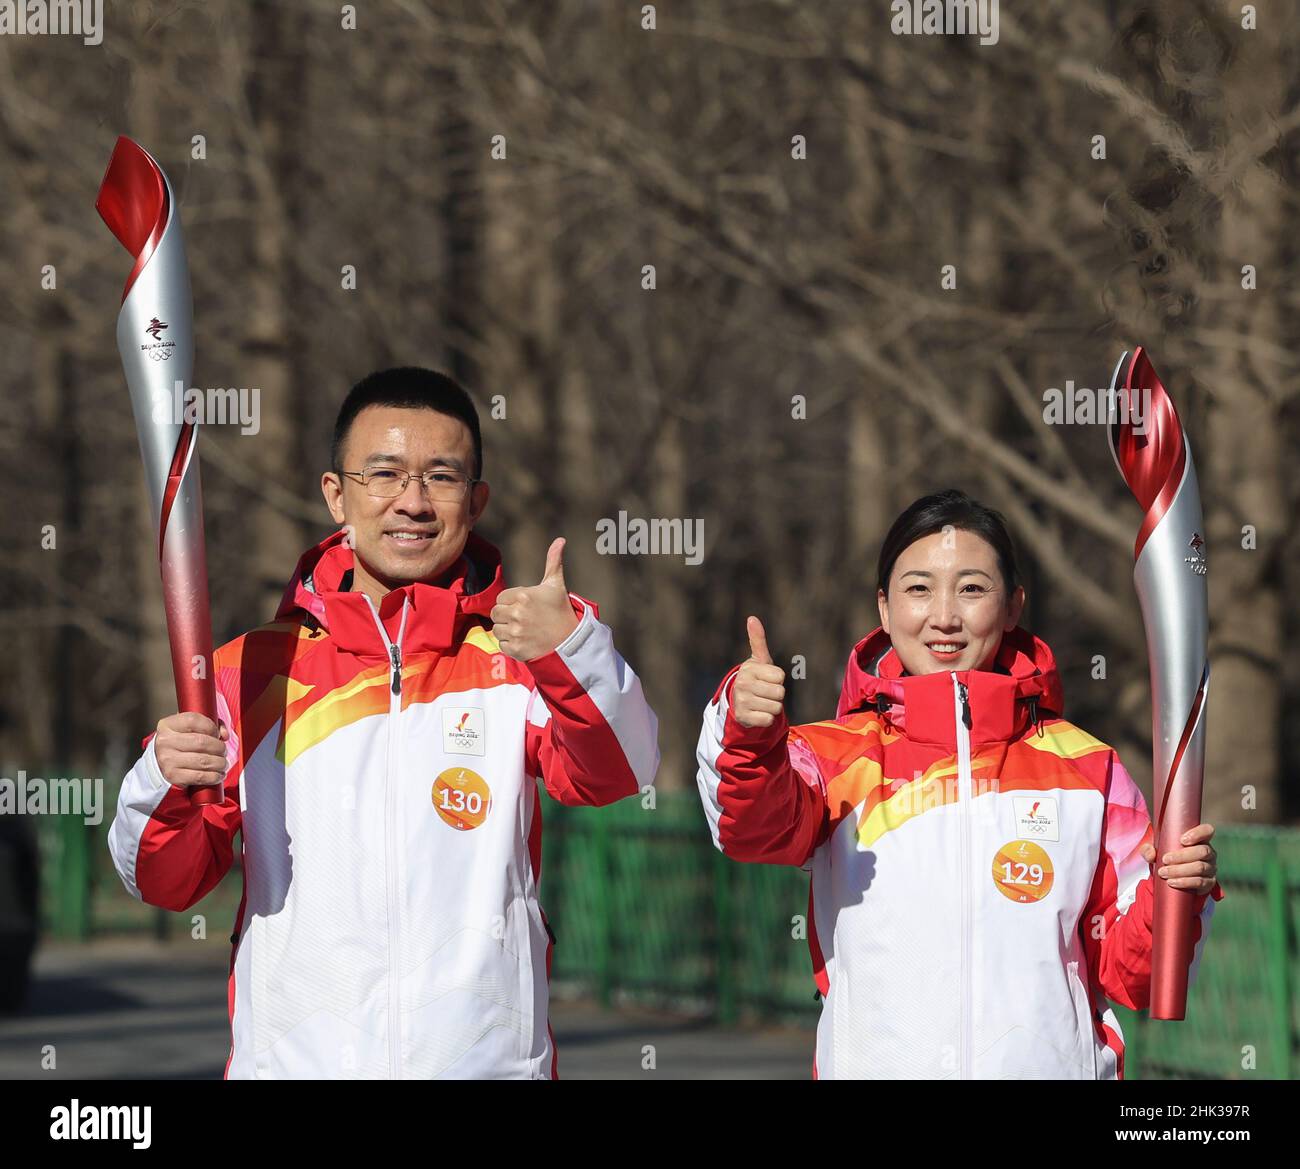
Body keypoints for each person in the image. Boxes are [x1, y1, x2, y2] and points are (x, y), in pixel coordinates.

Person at [108, 367, 660, 1079]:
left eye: (442, 477)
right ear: (337, 494)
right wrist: (163, 781)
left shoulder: (519, 659)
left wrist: (573, 649)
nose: (413, 501)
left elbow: (620, 770)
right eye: (385, 473)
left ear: (476, 500)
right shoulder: (248, 674)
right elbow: (165, 881)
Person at [696, 489, 1221, 1080]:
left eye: (972, 588)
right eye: (918, 589)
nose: (944, 616)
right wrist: (748, 735)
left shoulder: (1088, 771)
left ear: (1014, 605)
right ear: (884, 608)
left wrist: (1172, 891)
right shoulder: (832, 757)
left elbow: (1135, 977)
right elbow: (751, 831)